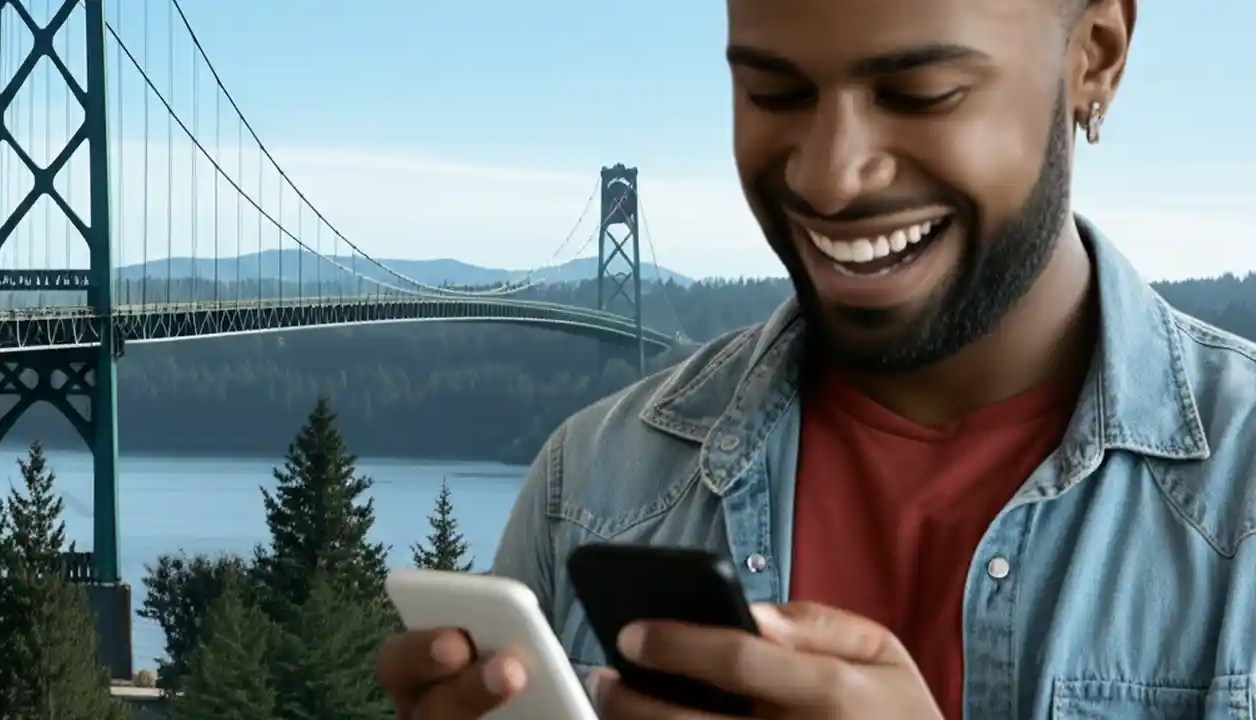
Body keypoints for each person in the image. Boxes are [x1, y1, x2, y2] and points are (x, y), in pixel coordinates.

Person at [377, 0, 1256, 717]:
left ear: (1095, 58)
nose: (831, 178)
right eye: (775, 94)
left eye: (920, 93)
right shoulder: (592, 484)